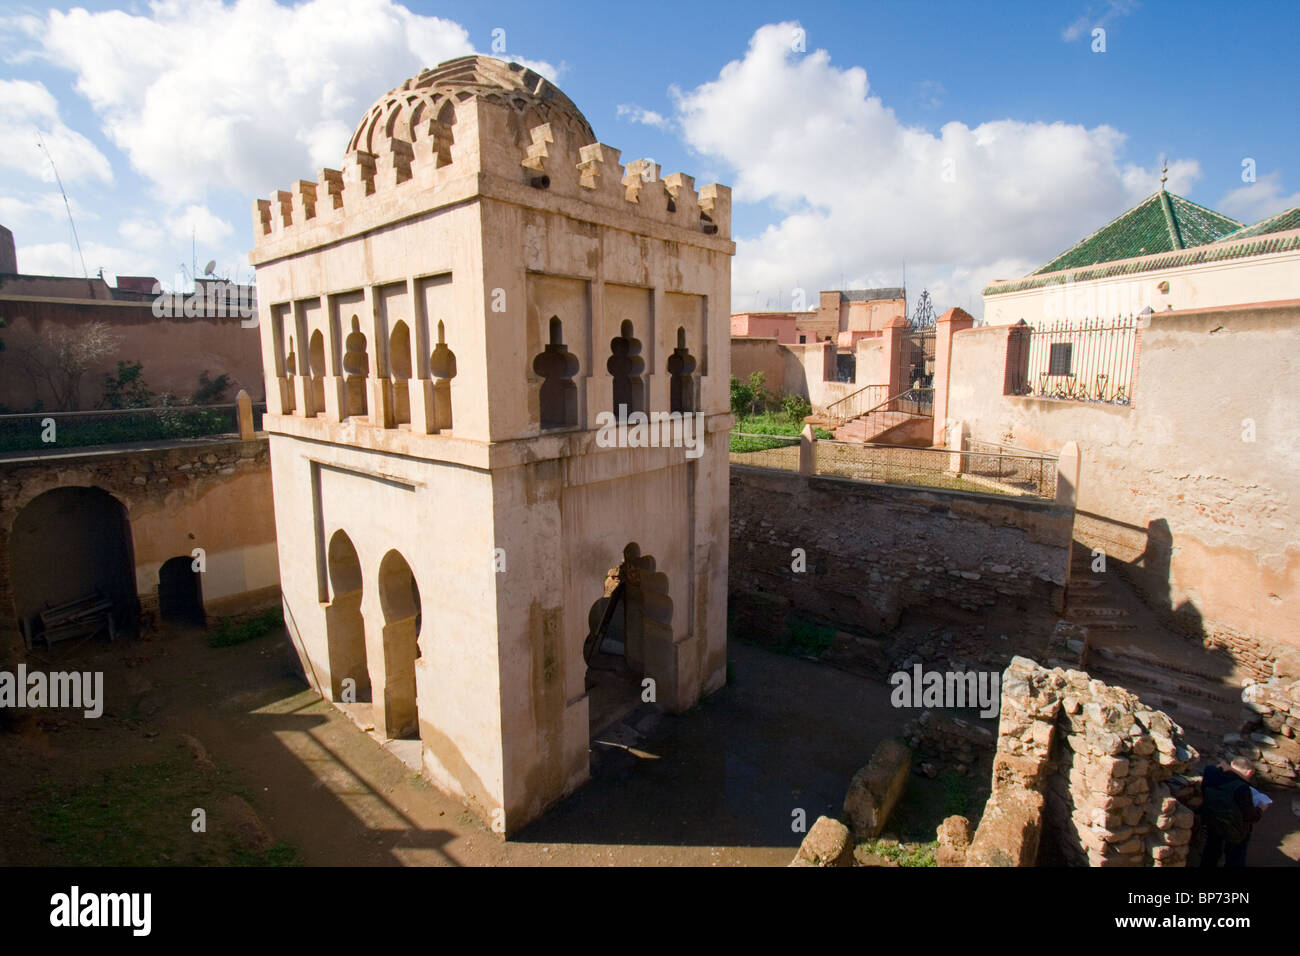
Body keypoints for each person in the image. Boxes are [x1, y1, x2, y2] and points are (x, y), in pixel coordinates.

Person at [1200, 757, 1264, 867]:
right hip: (1234, 828)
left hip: (1212, 819)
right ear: (1249, 772)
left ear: (1232, 764)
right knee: (1236, 856)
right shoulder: (1242, 788)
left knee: (1211, 851)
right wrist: (1261, 808)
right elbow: (1250, 817)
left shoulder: (1210, 772)